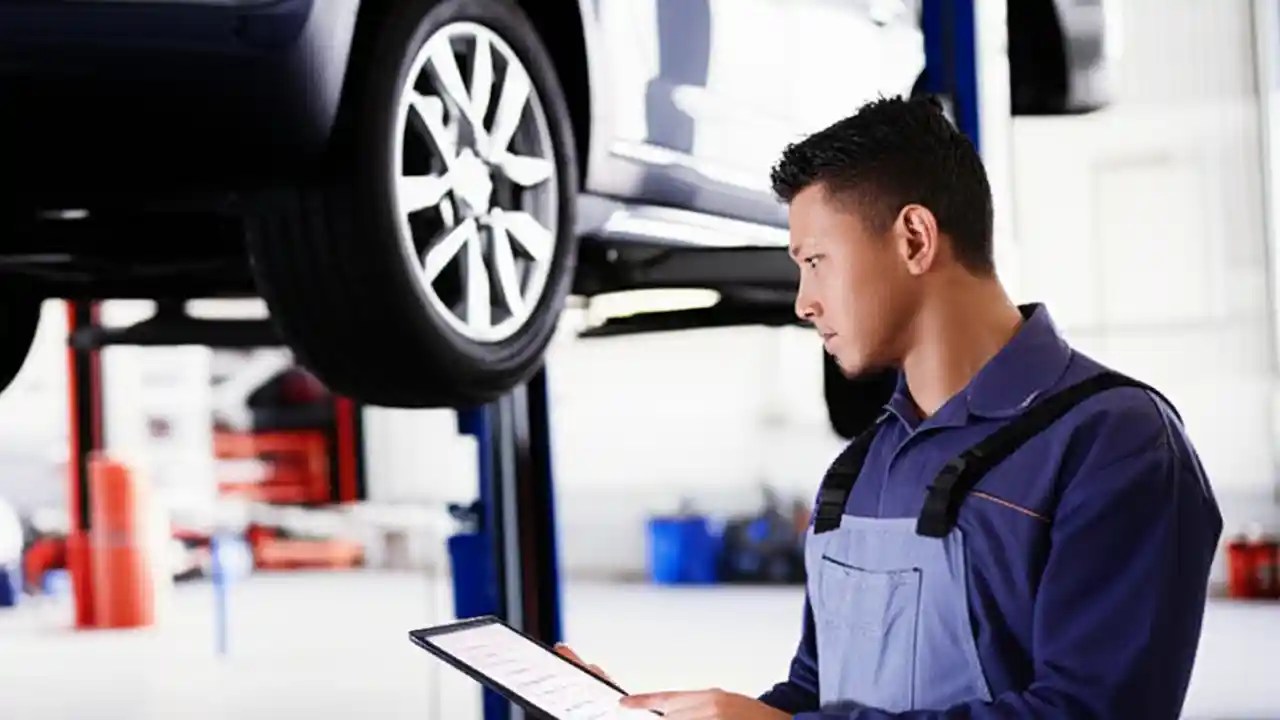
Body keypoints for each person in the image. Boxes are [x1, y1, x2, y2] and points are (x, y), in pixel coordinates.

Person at [557, 96, 1224, 719]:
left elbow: (1088, 712)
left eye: (816, 260)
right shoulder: (859, 471)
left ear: (913, 238)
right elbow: (817, 694)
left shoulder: (1113, 443)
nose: (802, 300)